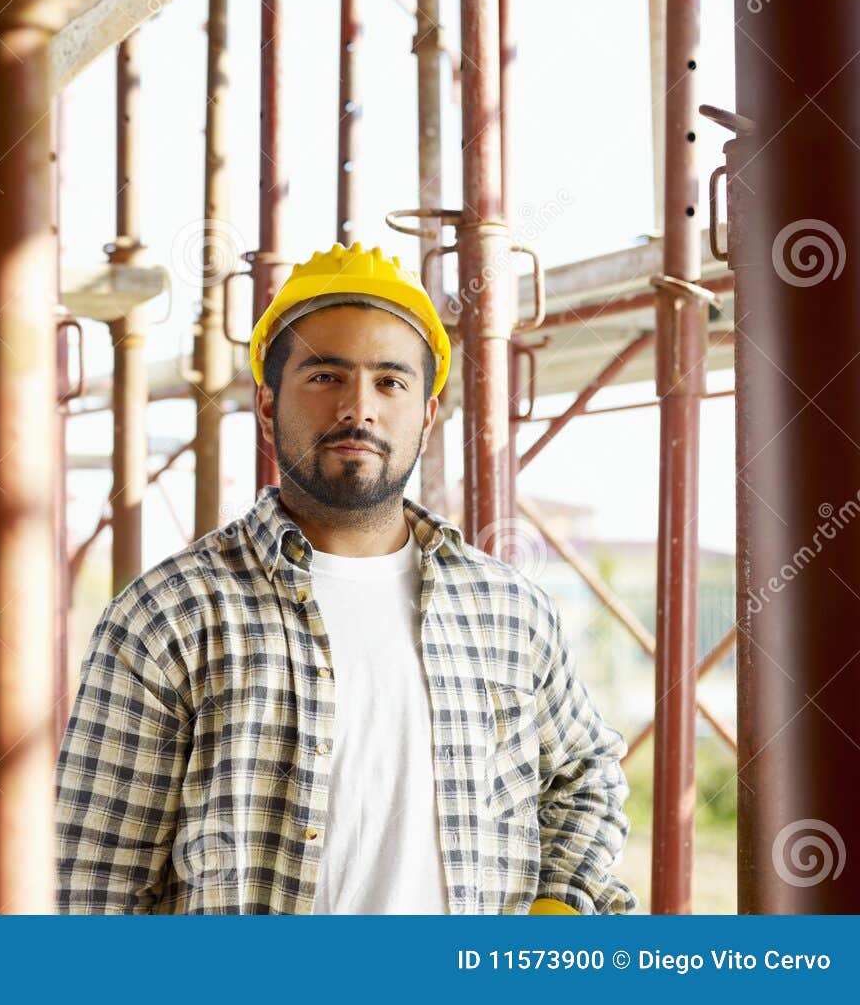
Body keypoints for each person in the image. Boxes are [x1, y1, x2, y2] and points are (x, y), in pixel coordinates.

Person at [54, 241, 636, 914]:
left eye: (390, 381)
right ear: (267, 405)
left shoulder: (508, 610)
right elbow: (93, 883)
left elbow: (584, 778)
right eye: (325, 376)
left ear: (427, 412)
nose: (359, 408)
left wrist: (557, 907)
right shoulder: (168, 617)